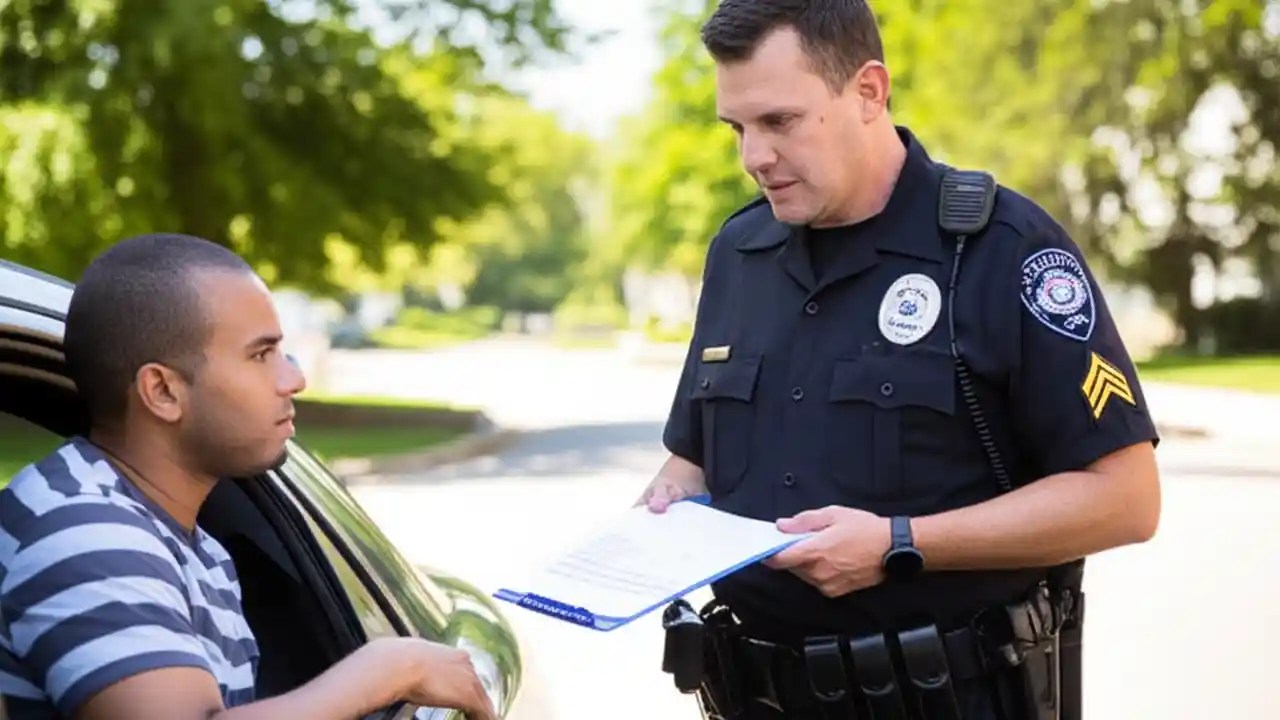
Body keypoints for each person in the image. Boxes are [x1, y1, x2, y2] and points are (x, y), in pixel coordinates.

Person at [642, 1, 1162, 718]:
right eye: (737, 128)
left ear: (868, 92)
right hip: (751, 696)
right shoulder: (739, 252)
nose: (753, 156)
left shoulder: (998, 248)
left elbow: (1125, 501)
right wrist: (667, 502)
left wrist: (900, 544)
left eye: (779, 122)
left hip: (943, 696)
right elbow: (694, 457)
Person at [0, 234, 496, 720]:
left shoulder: (194, 547)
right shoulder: (85, 530)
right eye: (262, 355)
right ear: (163, 391)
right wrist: (395, 667)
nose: (294, 378)